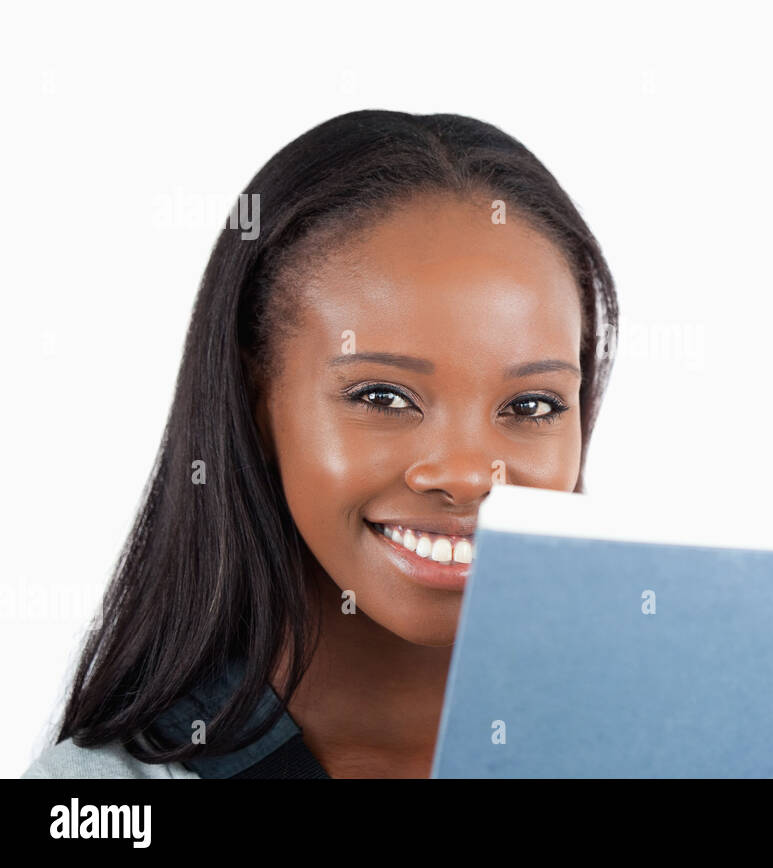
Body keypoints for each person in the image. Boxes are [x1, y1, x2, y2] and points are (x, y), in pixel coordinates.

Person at [22, 110, 619, 778]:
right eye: (382, 398)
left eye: (531, 405)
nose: (467, 474)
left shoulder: (692, 737)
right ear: (257, 401)